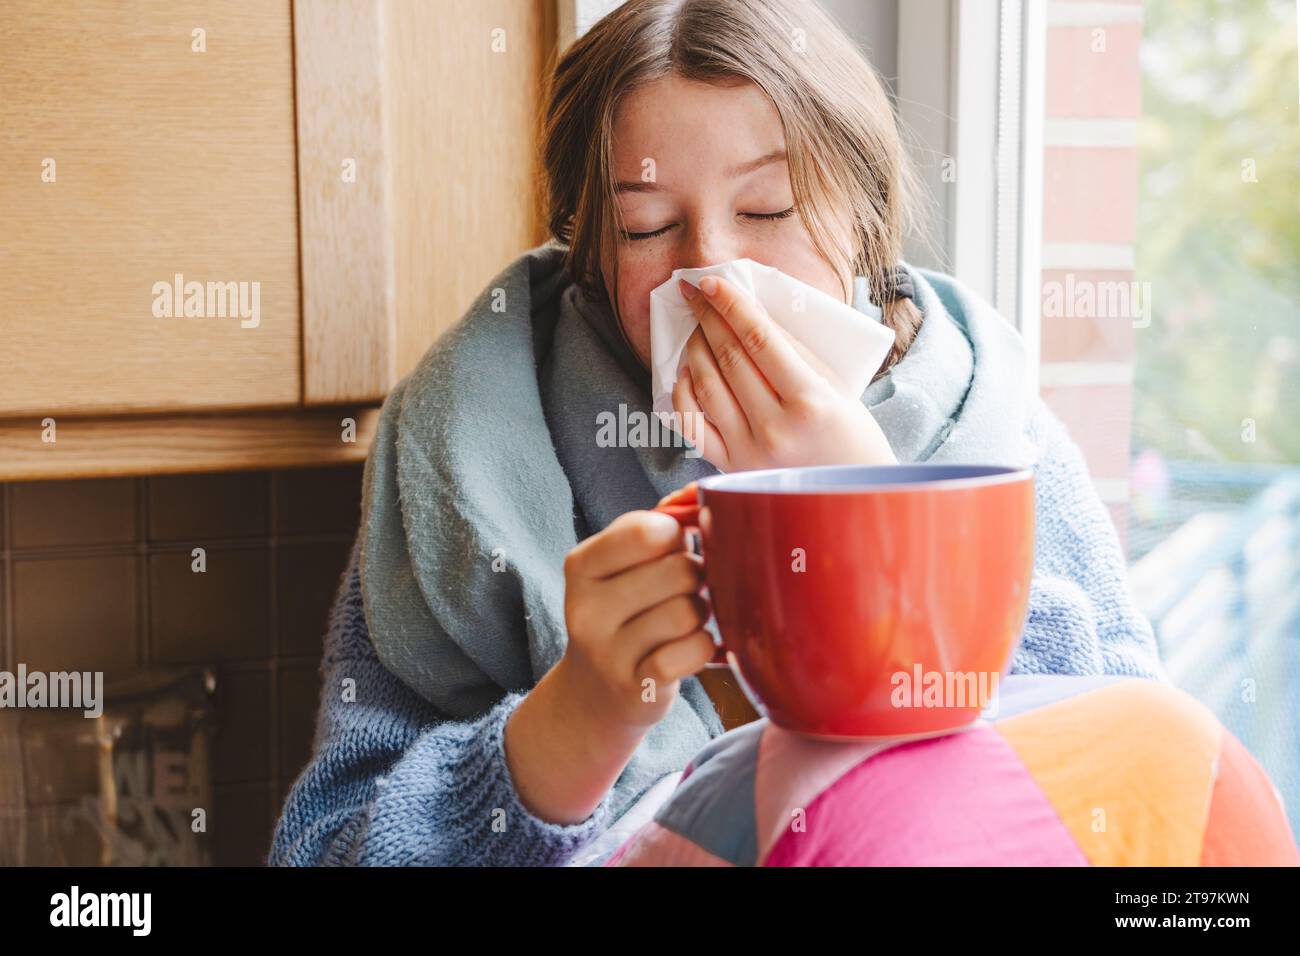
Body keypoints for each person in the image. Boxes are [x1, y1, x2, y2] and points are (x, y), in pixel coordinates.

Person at [269, 0, 1166, 867]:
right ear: (588, 255)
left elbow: (1135, 798)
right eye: (647, 227)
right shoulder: (470, 441)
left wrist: (881, 516)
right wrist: (575, 722)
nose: (712, 271)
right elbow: (326, 850)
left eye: (769, 209)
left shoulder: (994, 428)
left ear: (866, 217)